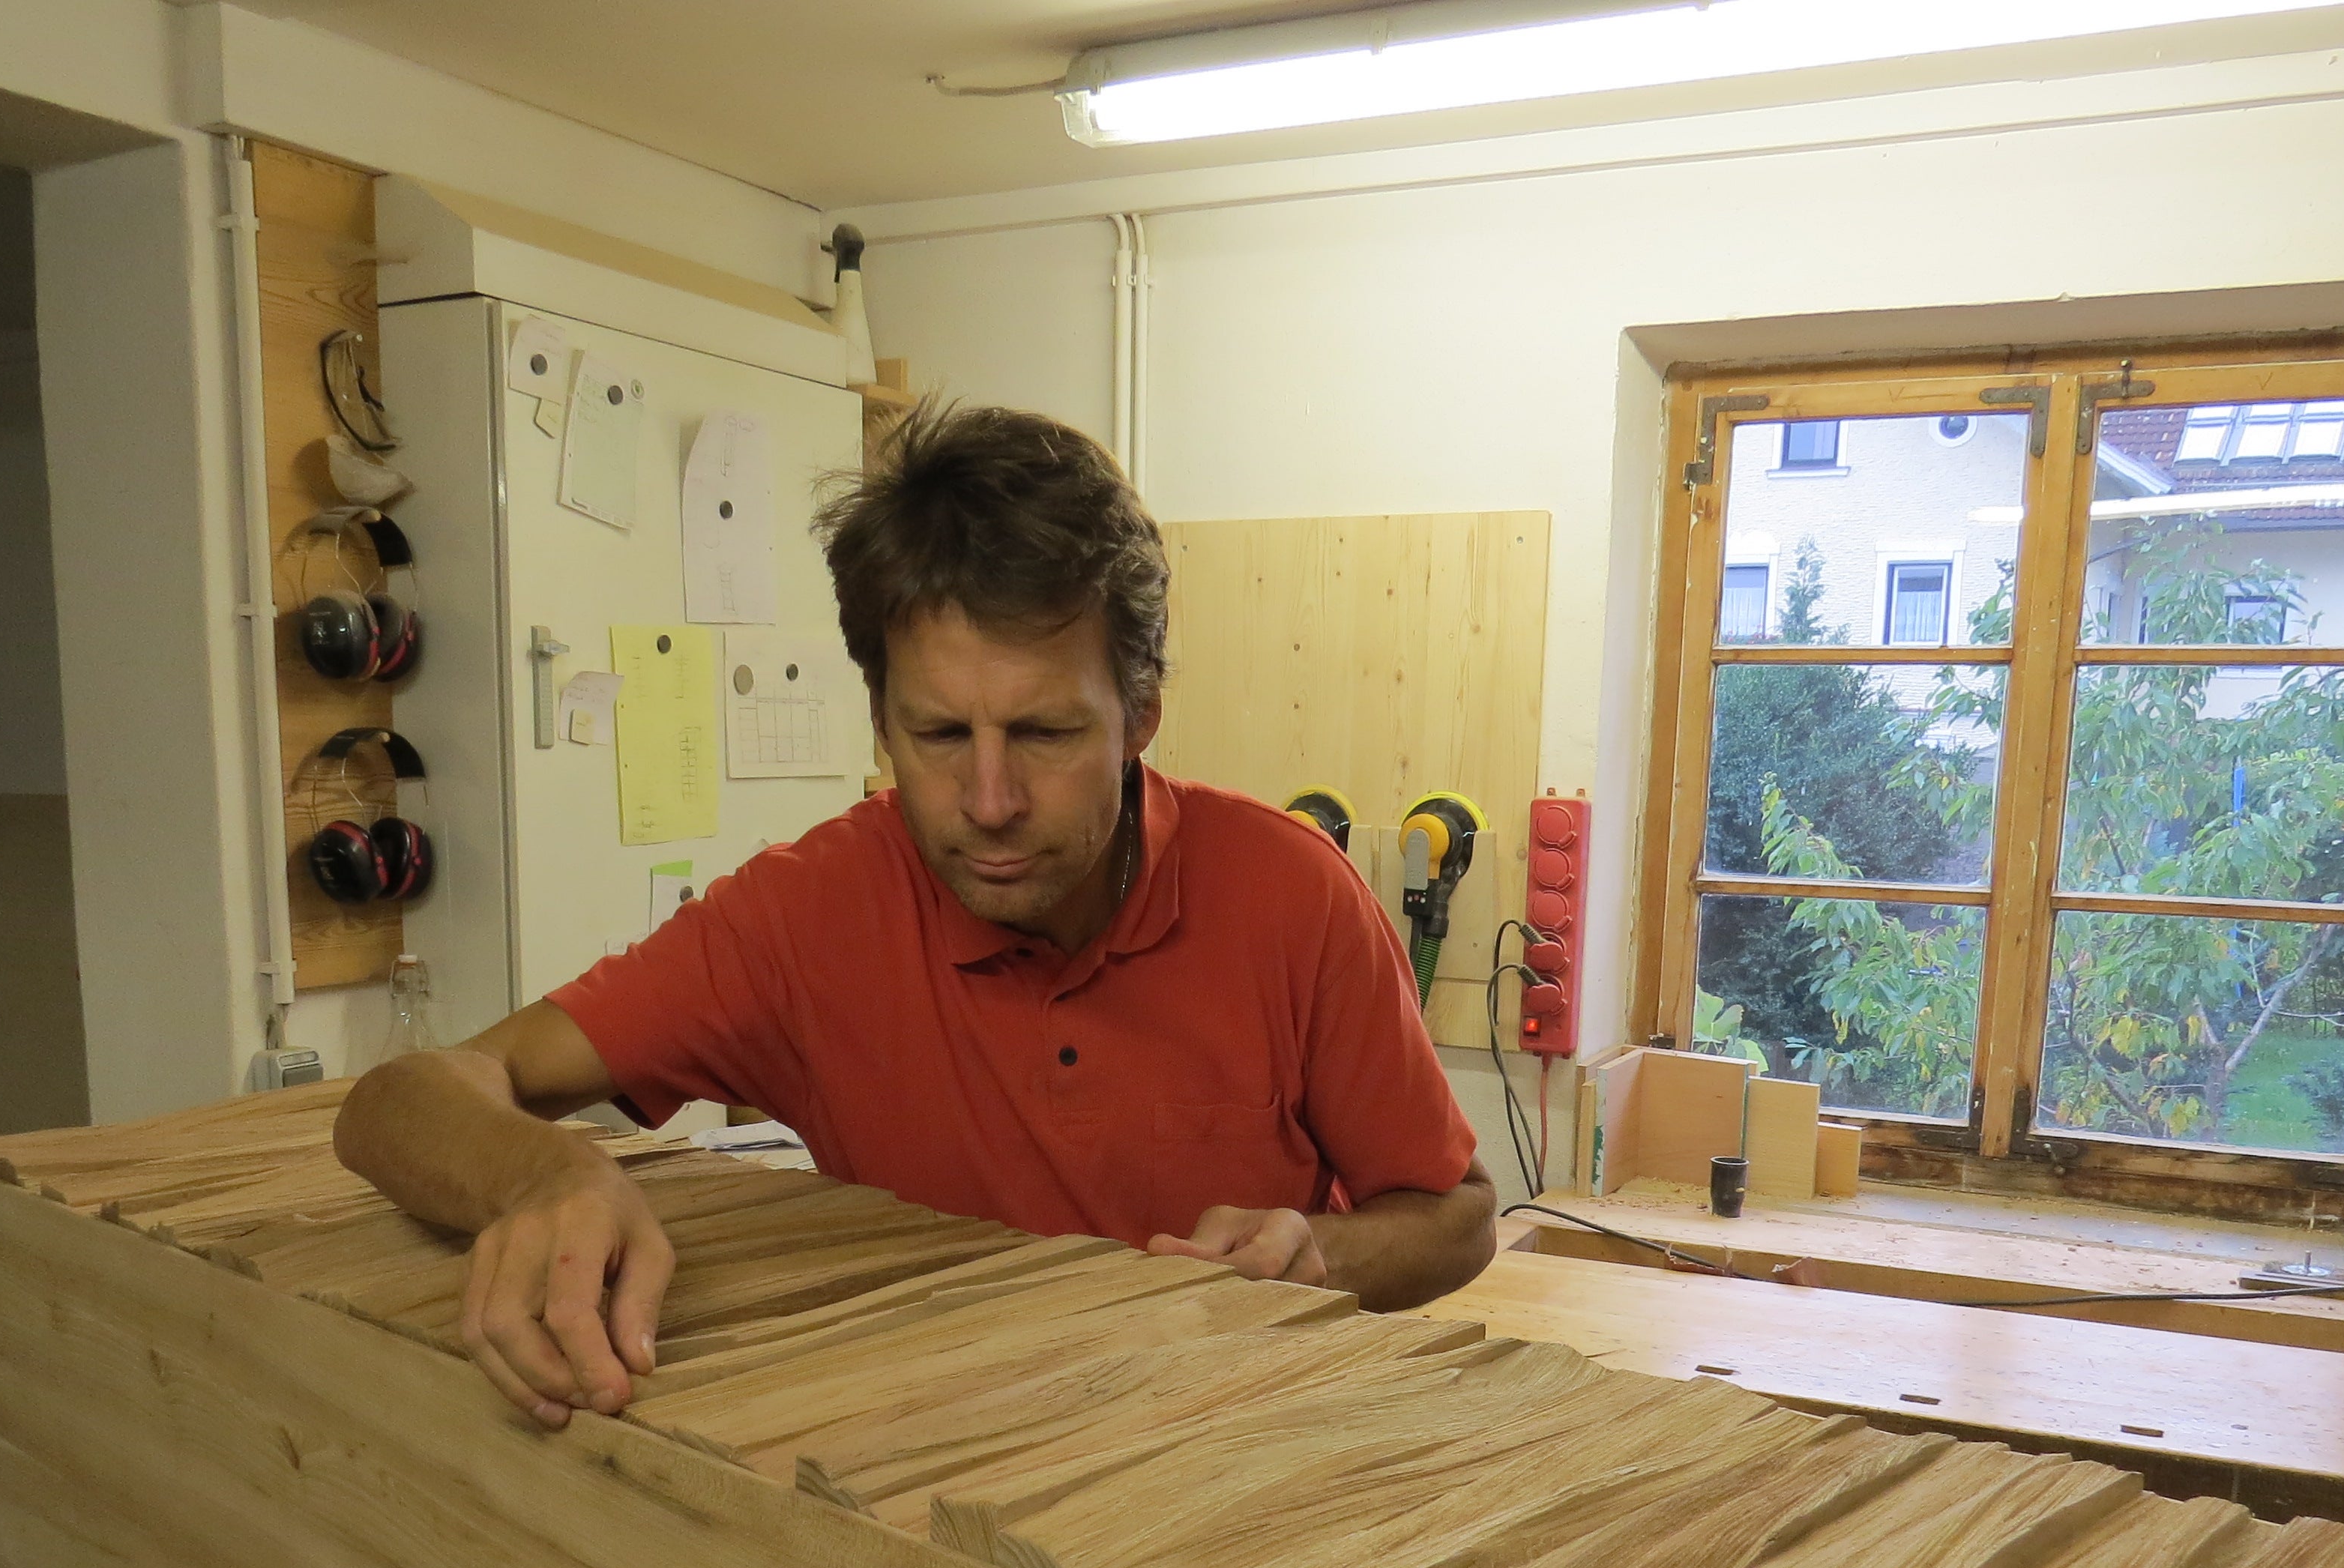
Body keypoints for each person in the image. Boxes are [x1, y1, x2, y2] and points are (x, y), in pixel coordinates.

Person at [335, 402, 1495, 1426]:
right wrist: (545, 1178)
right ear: (881, 718)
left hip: (1244, 1454)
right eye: (939, 735)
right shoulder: (806, 915)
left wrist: (1319, 1251)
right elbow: (402, 1101)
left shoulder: (1292, 896)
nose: (988, 802)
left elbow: (1459, 1218)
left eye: (1044, 734)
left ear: (1139, 713)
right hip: (941, 1465)